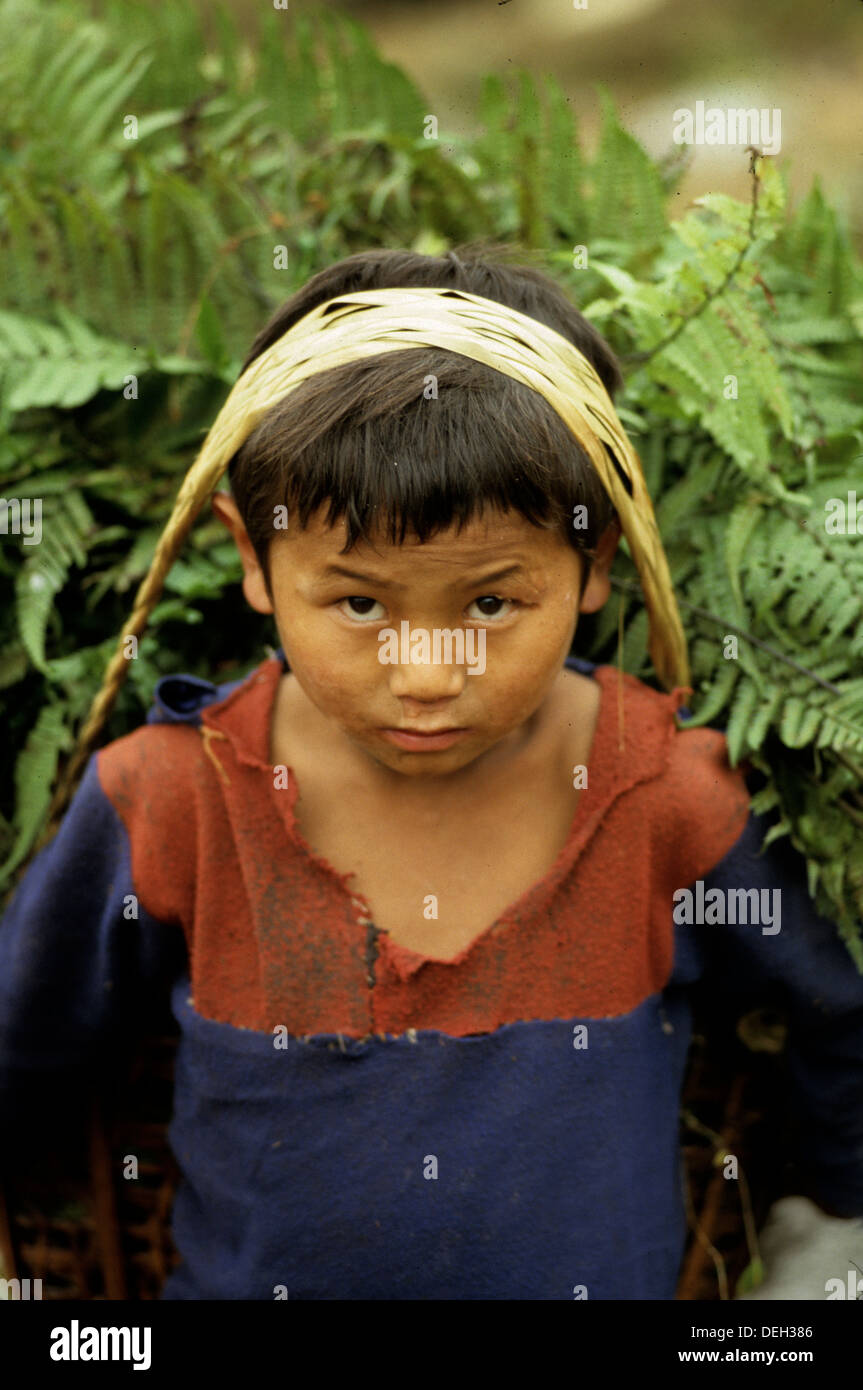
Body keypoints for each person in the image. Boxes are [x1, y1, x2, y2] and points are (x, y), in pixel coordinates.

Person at [1, 246, 861, 1300]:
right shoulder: (171, 798)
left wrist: (827, 1228)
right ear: (253, 558)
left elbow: (835, 1015)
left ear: (593, 566)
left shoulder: (668, 798)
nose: (424, 677)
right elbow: (21, 1043)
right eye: (358, 604)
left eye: (492, 604)